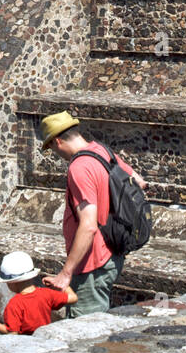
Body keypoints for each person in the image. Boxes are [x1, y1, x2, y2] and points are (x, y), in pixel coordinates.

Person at [40, 110, 145, 316]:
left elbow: (88, 225)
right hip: (113, 252)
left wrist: (65, 273)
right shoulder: (102, 150)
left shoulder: (79, 168)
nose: (55, 152)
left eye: (51, 147)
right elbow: (139, 181)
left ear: (58, 141)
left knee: (85, 331)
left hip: (92, 264)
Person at [0, 252, 76, 335]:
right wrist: (58, 284)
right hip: (44, 340)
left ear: (13, 283)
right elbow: (73, 297)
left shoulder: (15, 304)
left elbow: (12, 333)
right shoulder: (46, 293)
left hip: (25, 346)